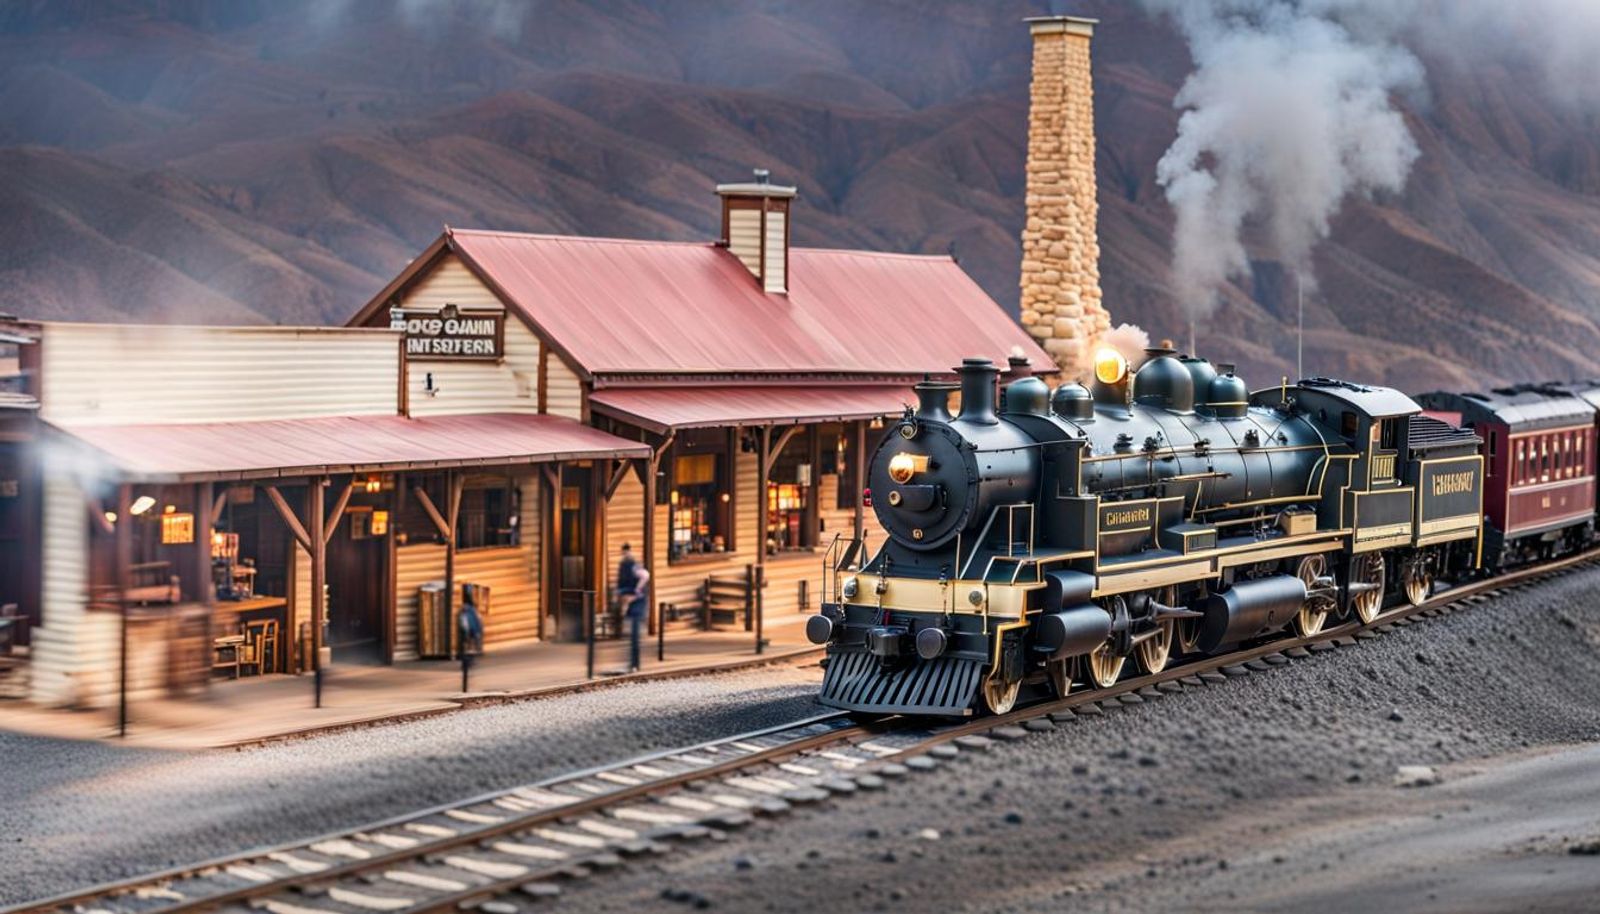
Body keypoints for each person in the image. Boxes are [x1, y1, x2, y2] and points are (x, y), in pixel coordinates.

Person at [625, 562, 650, 673]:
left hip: (637, 615)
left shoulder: (641, 588)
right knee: (633, 642)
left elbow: (637, 599)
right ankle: (634, 664)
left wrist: (631, 599)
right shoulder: (638, 586)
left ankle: (635, 665)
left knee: (635, 641)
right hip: (634, 614)